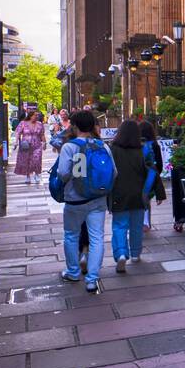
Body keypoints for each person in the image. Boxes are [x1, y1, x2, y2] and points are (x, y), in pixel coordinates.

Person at [57, 110, 112, 293]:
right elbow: (115, 172)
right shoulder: (102, 146)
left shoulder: (69, 147)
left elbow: (64, 173)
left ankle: (73, 272)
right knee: (97, 238)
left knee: (71, 235)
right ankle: (92, 279)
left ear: (75, 126)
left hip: (75, 199)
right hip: (98, 199)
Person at [108, 120, 155, 273]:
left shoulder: (112, 149)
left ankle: (121, 253)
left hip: (119, 193)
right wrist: (154, 193)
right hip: (138, 193)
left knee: (119, 225)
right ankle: (135, 253)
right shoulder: (142, 149)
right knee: (136, 225)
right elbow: (152, 171)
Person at [139, 120, 166, 232]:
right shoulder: (155, 145)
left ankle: (141, 223)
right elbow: (159, 164)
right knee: (147, 199)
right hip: (151, 176)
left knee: (140, 199)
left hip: (138, 176)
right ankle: (146, 223)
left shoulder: (136, 145)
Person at [14, 110, 46, 185]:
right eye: (35, 115)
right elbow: (18, 133)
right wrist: (16, 142)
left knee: (37, 160)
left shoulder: (39, 124)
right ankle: (28, 176)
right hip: (26, 145)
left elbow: (42, 134)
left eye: (37, 115)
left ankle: (37, 174)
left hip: (37, 145)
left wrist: (44, 143)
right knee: (27, 160)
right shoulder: (23, 123)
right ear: (30, 116)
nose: (37, 117)